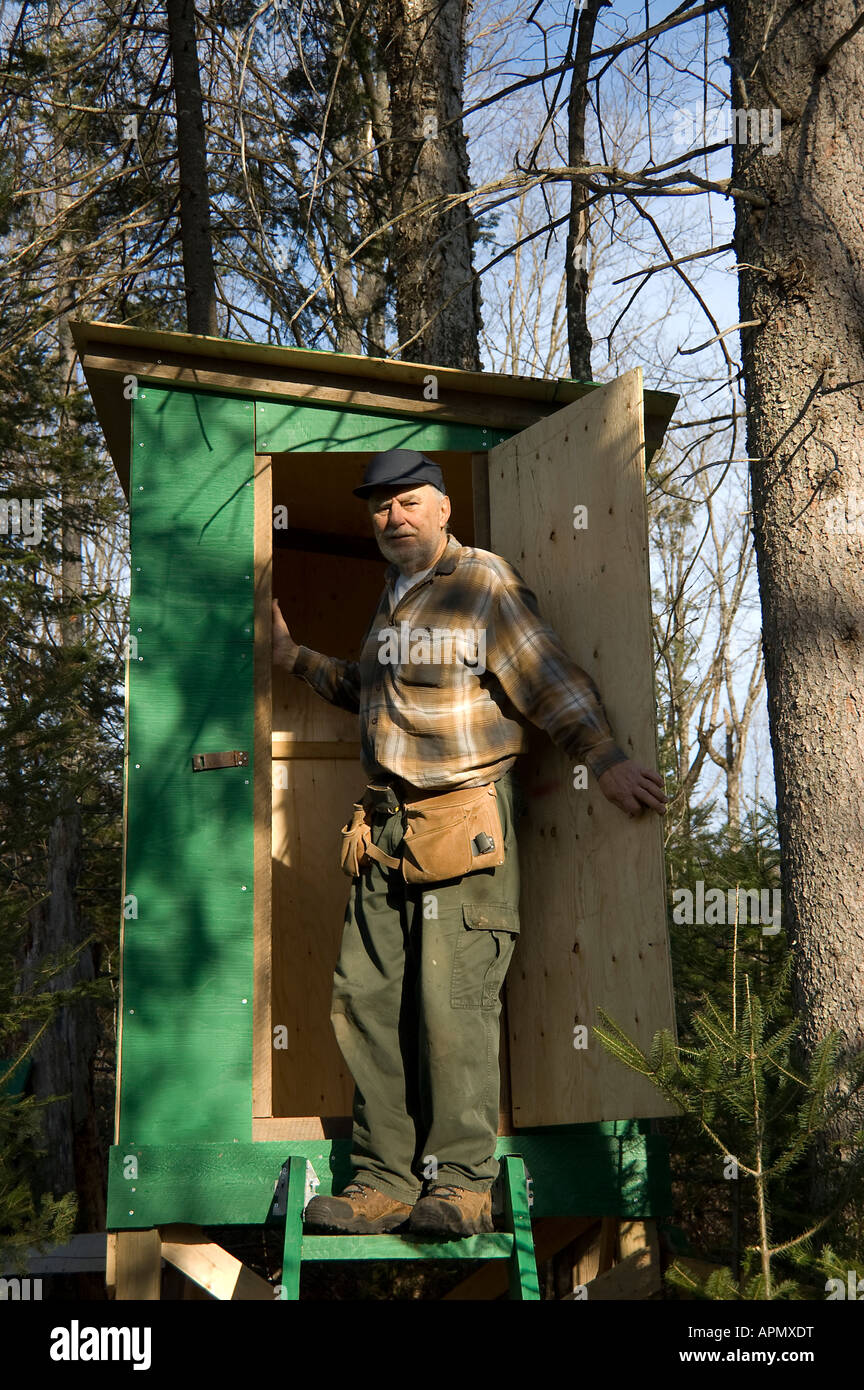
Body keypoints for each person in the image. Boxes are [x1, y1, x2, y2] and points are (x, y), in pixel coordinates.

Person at [271, 448, 667, 1239]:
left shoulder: (481, 581)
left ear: (443, 508)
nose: (393, 518)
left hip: (464, 819)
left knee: (455, 1008)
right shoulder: (393, 596)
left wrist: (606, 757)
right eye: (380, 507)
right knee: (367, 1003)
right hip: (383, 830)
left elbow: (547, 676)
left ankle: (460, 1183)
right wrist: (294, 660)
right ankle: (382, 1182)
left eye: (409, 501)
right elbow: (369, 691)